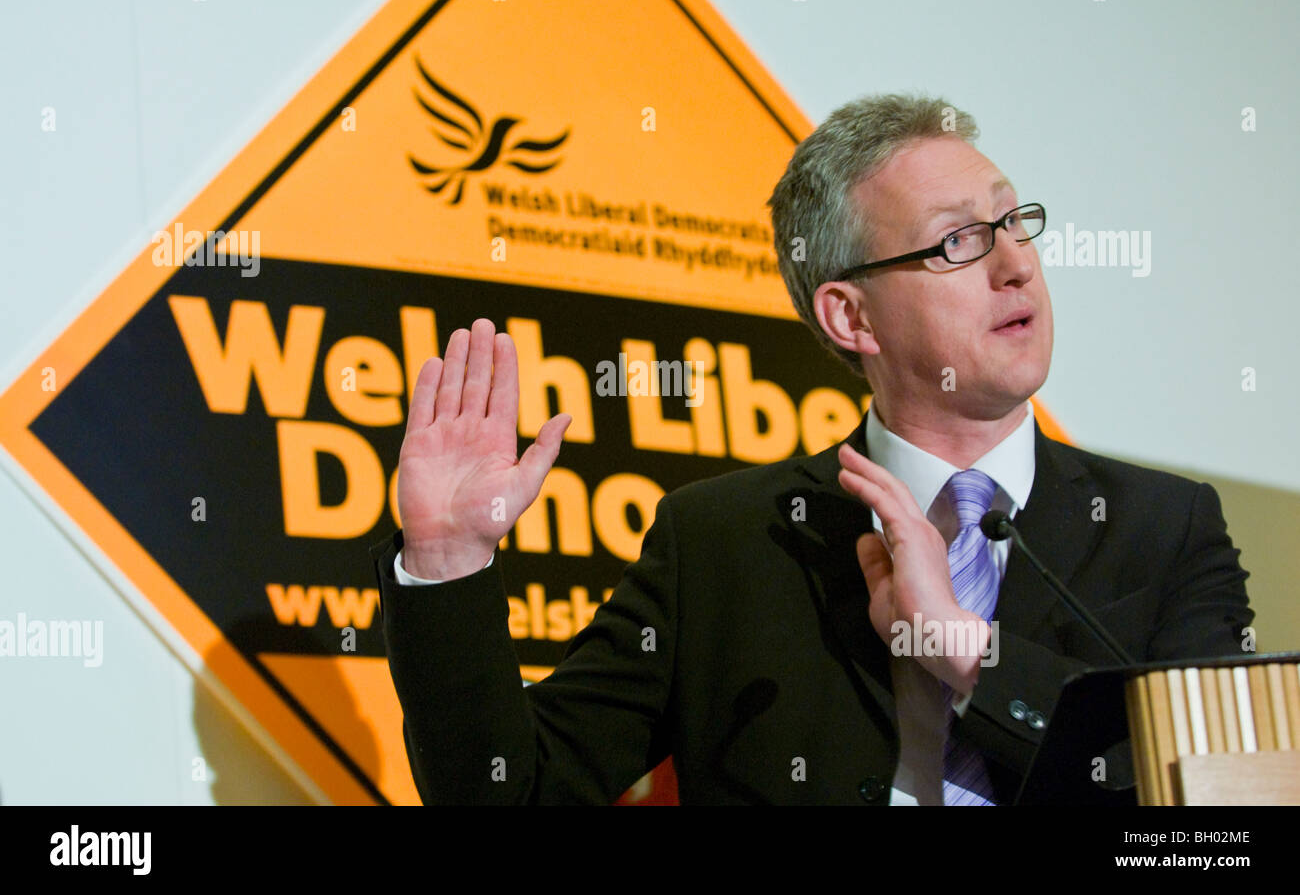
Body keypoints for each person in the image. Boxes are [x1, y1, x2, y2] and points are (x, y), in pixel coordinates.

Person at [373, 93, 1253, 804]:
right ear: (849, 315)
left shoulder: (1167, 528)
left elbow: (1217, 811)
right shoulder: (724, 540)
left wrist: (966, 653)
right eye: (958, 242)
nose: (1015, 264)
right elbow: (510, 792)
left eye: (1014, 221)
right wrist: (446, 561)